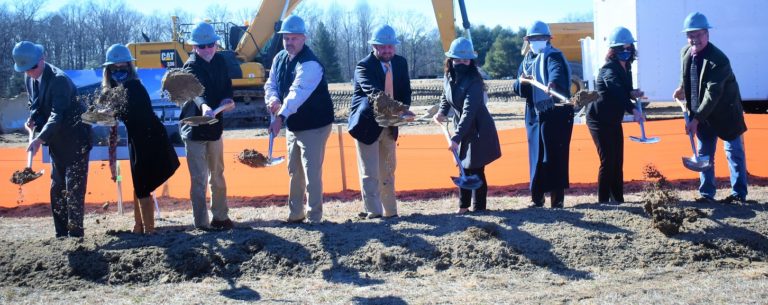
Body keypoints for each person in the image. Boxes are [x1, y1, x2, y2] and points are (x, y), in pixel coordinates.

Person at [12, 41, 92, 237]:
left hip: (76, 140)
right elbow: (35, 104)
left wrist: (39, 139)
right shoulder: (29, 78)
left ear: (42, 58)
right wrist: (33, 118)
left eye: (33, 68)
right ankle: (61, 234)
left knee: (73, 190)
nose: (31, 72)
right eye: (26, 69)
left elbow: (58, 115)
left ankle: (76, 236)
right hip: (57, 142)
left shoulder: (59, 80)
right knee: (57, 190)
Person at [102, 44, 180, 234]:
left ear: (129, 67)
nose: (119, 71)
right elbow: (111, 112)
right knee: (139, 182)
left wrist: (112, 111)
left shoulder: (135, 87)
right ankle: (138, 227)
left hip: (151, 137)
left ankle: (149, 229)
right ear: (109, 70)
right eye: (115, 68)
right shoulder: (114, 89)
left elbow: (134, 113)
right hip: (136, 138)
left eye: (123, 67)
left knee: (143, 182)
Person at [673, 12, 748, 204]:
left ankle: (739, 193)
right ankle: (707, 194)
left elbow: (712, 93)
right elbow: (686, 74)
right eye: (690, 35)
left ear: (707, 34)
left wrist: (695, 120)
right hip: (702, 114)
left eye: (698, 35)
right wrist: (682, 88)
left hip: (725, 112)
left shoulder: (719, 60)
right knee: (704, 153)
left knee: (734, 152)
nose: (694, 39)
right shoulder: (685, 52)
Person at [265, 15, 334, 223]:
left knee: (311, 171)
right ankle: (295, 214)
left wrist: (280, 117)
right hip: (294, 125)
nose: (289, 42)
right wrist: (273, 98)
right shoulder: (279, 59)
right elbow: (271, 84)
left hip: (315, 124)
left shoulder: (310, 64)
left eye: (294, 38)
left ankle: (314, 216)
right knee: (294, 170)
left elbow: (298, 93)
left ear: (304, 38)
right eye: (286, 38)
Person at [348, 25, 413, 219]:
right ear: (374, 46)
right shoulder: (363, 66)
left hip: (390, 125)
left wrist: (404, 110)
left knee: (388, 170)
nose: (387, 51)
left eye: (390, 47)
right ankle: (374, 213)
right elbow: (375, 94)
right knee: (370, 172)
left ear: (395, 47)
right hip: (367, 125)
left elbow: (405, 90)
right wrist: (400, 110)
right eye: (382, 47)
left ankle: (391, 213)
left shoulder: (400, 63)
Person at [433, 38, 501, 214]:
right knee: (463, 166)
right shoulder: (448, 76)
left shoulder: (475, 81)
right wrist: (441, 112)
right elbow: (445, 96)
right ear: (451, 60)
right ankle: (463, 207)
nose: (461, 63)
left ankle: (479, 208)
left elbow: (469, 112)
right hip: (462, 127)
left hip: (478, 129)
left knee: (475, 168)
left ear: (471, 61)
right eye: (457, 59)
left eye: (465, 60)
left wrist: (456, 137)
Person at [180, 22, 237, 229]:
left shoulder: (221, 61)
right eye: (201, 46)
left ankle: (221, 217)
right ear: (194, 47)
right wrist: (203, 106)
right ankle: (201, 223)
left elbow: (226, 87)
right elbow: (195, 92)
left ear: (216, 44)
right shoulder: (190, 66)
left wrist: (226, 100)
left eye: (210, 45)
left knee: (218, 175)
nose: (207, 50)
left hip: (215, 128)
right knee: (199, 179)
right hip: (194, 129)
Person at [513, 21, 573, 208]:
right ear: (528, 40)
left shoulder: (553, 56)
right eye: (534, 38)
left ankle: (557, 200)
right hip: (534, 115)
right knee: (536, 157)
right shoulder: (526, 61)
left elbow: (556, 72)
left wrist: (553, 83)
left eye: (542, 38)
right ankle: (537, 198)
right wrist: (522, 83)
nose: (538, 41)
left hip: (554, 114)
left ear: (548, 39)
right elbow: (517, 87)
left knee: (554, 155)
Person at [585, 27, 644, 204]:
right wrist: (632, 108)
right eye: (621, 49)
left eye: (628, 48)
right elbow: (616, 90)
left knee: (618, 160)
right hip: (598, 120)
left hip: (613, 120)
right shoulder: (607, 70)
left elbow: (624, 90)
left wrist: (632, 93)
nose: (625, 52)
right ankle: (603, 201)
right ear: (613, 50)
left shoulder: (627, 68)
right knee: (608, 160)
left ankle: (617, 198)